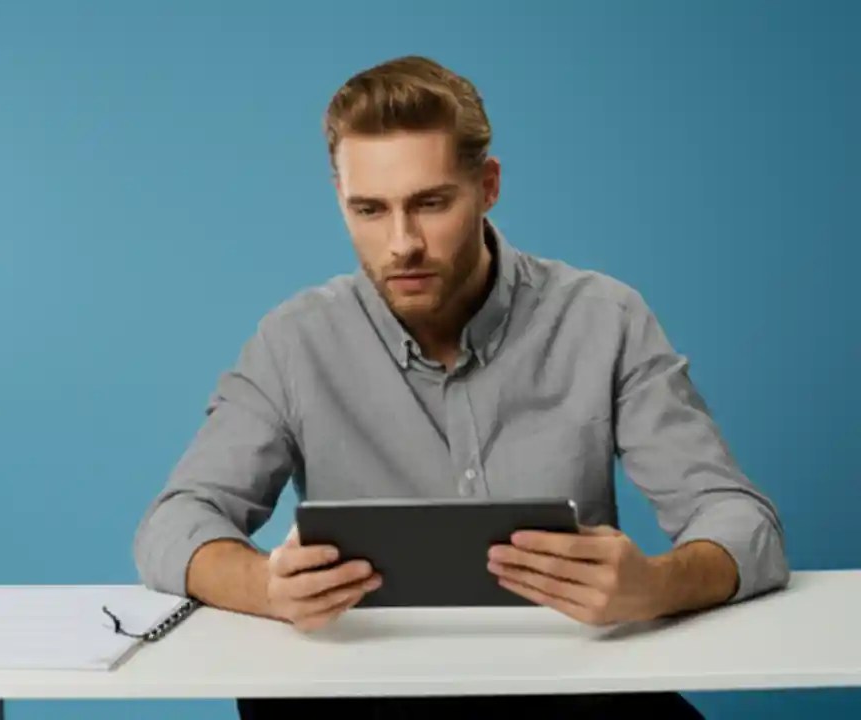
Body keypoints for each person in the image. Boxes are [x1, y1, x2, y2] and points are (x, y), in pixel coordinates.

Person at [132, 55, 790, 719]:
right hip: (361, 694)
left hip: (567, 687)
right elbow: (173, 525)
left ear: (488, 185)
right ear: (340, 197)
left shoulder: (603, 318)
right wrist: (265, 586)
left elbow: (740, 522)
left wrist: (653, 585)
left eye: (431, 203)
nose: (401, 244)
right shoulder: (294, 341)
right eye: (369, 209)